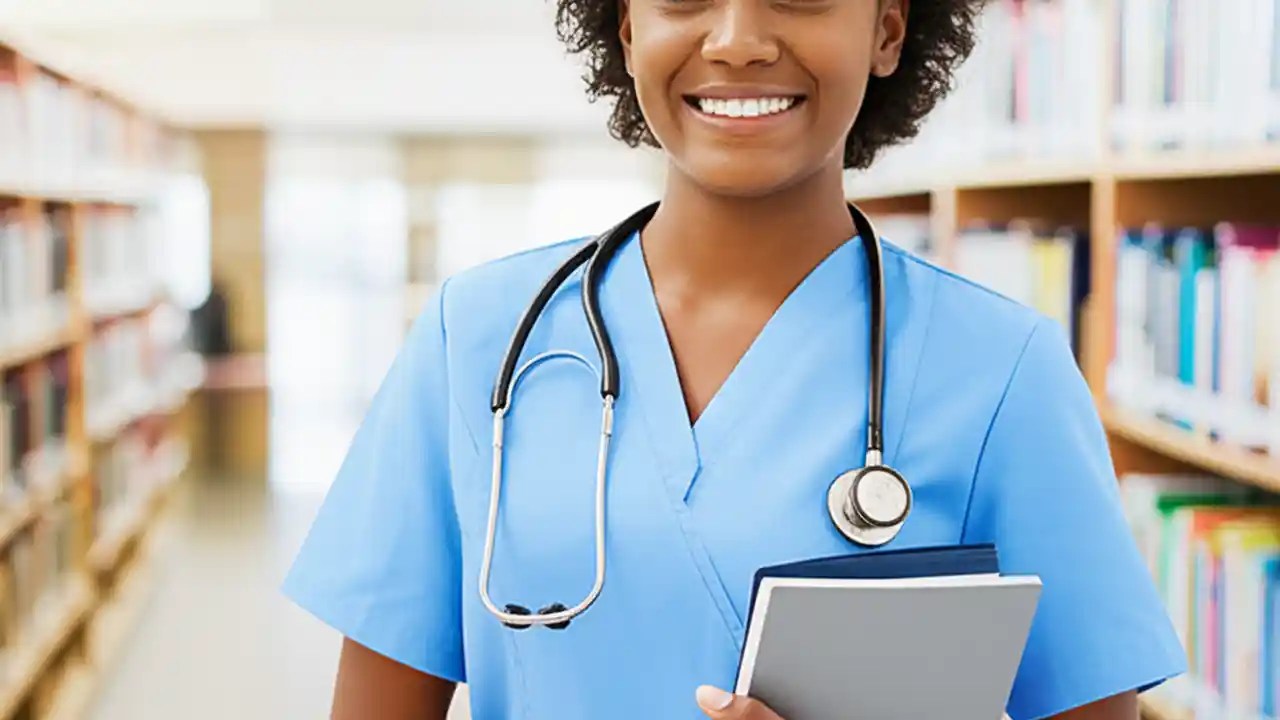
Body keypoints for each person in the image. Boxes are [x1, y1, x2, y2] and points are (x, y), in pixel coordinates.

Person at [282, 1, 1187, 718]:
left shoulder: (1003, 371)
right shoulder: (475, 336)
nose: (739, 38)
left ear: (886, 29)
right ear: (628, 26)